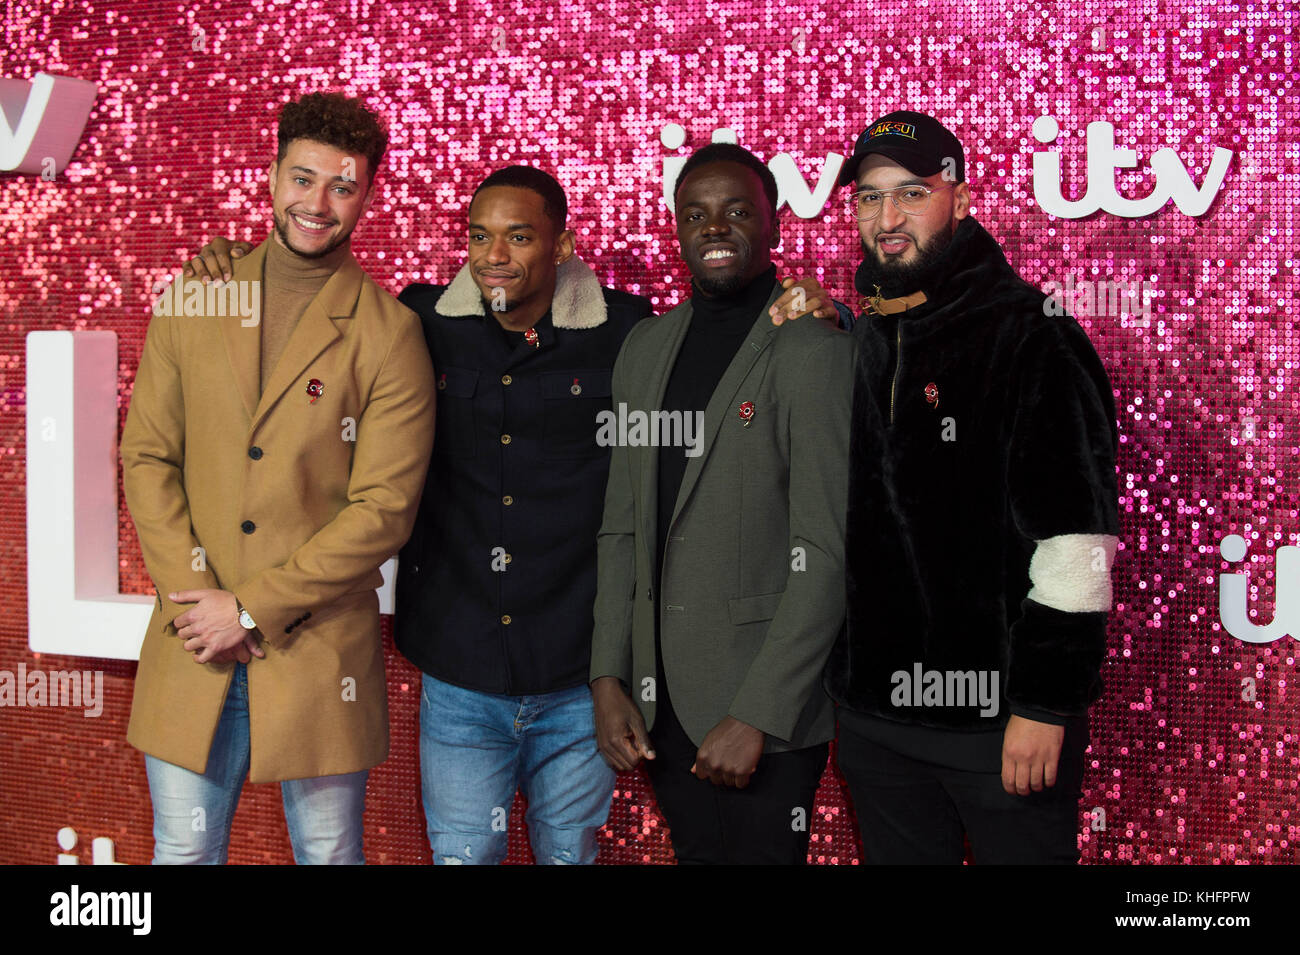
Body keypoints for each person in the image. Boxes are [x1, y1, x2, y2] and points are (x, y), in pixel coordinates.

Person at [184, 166, 653, 865]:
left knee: (569, 854)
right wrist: (244, 265)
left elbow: (711, 365)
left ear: (562, 246)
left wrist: (789, 308)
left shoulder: (626, 332)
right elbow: (320, 316)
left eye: (519, 236)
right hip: (459, 671)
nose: (495, 254)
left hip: (579, 674)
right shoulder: (418, 322)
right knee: (461, 854)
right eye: (479, 235)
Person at [777, 110, 1120, 864]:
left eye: (911, 193)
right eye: (869, 197)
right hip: (875, 726)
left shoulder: (1034, 333)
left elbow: (1076, 543)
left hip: (1000, 730)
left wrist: (1043, 702)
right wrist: (830, 313)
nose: (888, 217)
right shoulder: (871, 331)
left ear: (961, 200)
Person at [121, 91, 435, 864]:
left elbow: (383, 510)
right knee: (182, 853)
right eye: (302, 179)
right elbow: (147, 456)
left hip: (318, 650)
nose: (318, 203)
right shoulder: (199, 294)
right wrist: (201, 603)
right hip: (190, 639)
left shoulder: (390, 332)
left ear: (367, 194)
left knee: (328, 856)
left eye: (342, 185)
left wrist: (253, 609)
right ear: (271, 176)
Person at [590, 143, 855, 864]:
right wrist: (607, 675)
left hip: (760, 710)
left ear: (774, 226)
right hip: (659, 703)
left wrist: (758, 715)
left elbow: (826, 551)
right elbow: (622, 527)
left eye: (738, 211)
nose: (715, 227)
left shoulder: (813, 347)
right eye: (696, 214)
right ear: (676, 228)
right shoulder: (645, 348)